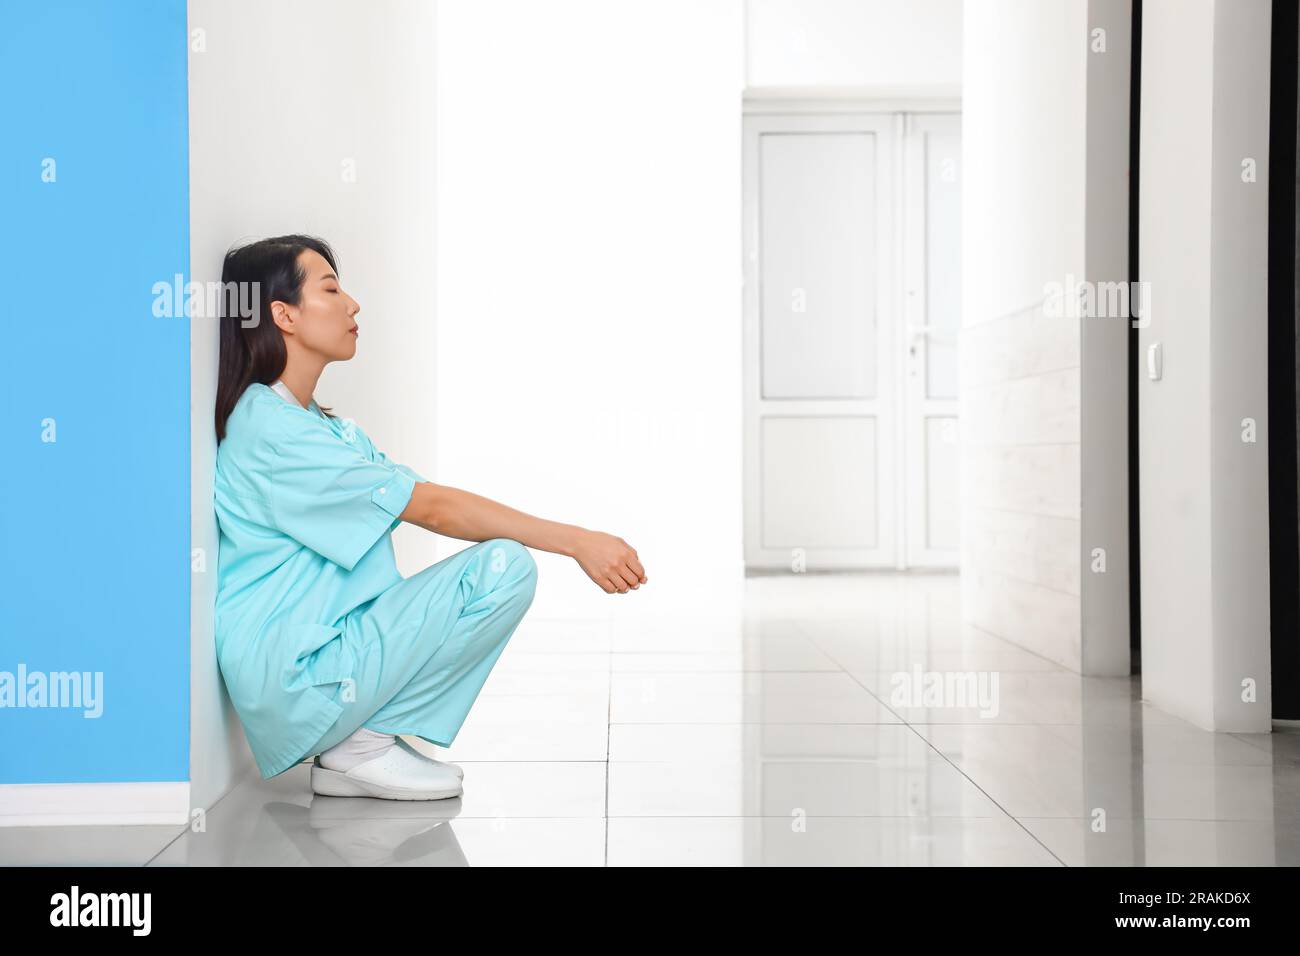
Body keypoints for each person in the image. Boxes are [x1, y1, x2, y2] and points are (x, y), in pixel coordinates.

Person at [212, 234, 647, 800]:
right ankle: (357, 749)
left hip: (324, 655)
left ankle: (359, 742)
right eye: (332, 289)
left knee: (502, 566)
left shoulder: (324, 427)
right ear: (284, 315)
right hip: (295, 676)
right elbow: (435, 510)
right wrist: (577, 541)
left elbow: (422, 496)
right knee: (502, 568)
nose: (353, 304)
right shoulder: (272, 429)